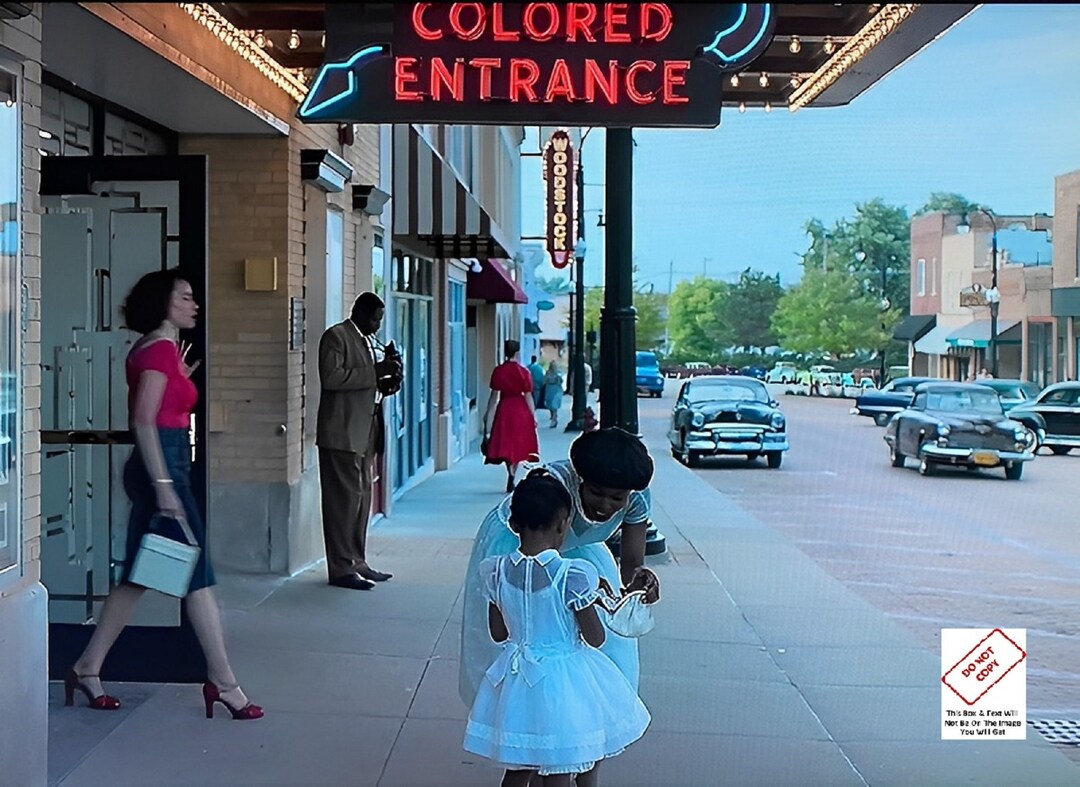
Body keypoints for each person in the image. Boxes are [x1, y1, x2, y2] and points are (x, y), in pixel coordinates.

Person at [66, 269, 262, 721]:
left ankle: (87, 667)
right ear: (164, 302)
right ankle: (225, 683)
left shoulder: (169, 351)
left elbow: (165, 408)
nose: (195, 305)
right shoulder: (157, 349)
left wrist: (180, 379)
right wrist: (165, 489)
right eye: (187, 298)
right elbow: (144, 422)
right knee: (197, 575)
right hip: (163, 469)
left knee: (140, 574)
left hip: (168, 465)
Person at [461, 428, 658, 784]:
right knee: (529, 661)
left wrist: (639, 581)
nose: (605, 505)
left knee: (606, 670)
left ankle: (577, 743)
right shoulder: (549, 489)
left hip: (579, 558)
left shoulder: (637, 496)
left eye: (617, 498)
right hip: (520, 545)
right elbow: (510, 616)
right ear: (579, 479)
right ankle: (536, 745)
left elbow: (632, 561)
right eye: (596, 492)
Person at [317, 292, 402, 590]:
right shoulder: (336, 337)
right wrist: (374, 371)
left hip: (366, 428)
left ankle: (357, 560)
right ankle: (340, 568)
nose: (378, 326)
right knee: (342, 502)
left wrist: (390, 378)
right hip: (341, 433)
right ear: (360, 313)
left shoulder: (368, 341)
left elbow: (368, 384)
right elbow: (332, 378)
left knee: (361, 498)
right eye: (375, 319)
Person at [483, 340, 539, 493]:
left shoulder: (498, 371)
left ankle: (510, 471)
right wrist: (533, 416)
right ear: (517, 352)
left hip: (505, 408)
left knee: (507, 443)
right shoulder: (524, 372)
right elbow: (528, 395)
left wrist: (488, 415)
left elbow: (494, 397)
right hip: (520, 409)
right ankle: (514, 470)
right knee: (517, 443)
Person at [543, 361, 564, 428]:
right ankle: (552, 415)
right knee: (549, 403)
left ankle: (554, 419)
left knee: (554, 404)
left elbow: (561, 381)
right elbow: (544, 381)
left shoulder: (558, 372)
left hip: (556, 389)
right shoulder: (548, 372)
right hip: (549, 389)